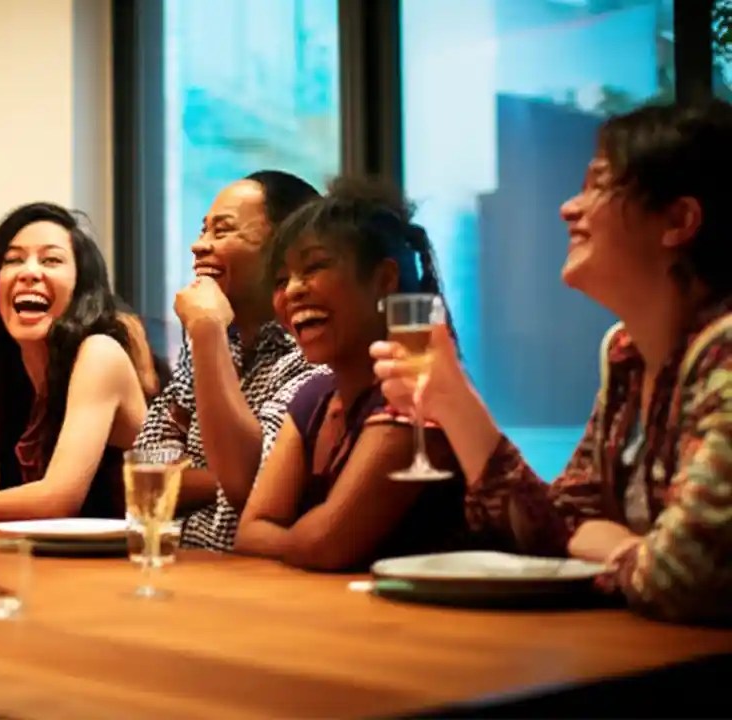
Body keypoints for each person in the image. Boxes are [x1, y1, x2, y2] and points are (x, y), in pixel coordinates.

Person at [372, 100, 732, 624]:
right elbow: (556, 525)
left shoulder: (724, 356)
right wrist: (454, 405)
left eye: (599, 185)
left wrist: (613, 548)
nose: (569, 207)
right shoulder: (626, 355)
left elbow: (682, 577)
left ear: (678, 220)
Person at [235, 177, 471, 571]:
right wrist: (304, 540)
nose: (293, 290)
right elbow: (250, 530)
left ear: (384, 279)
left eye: (315, 267)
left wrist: (301, 538)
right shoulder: (314, 396)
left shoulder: (418, 392)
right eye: (280, 280)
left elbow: (325, 545)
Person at [134, 170, 325, 552]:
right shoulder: (219, 338)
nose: (198, 246)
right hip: (187, 569)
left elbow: (249, 486)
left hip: (257, 585)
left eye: (221, 231)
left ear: (283, 246)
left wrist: (206, 331)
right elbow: (143, 475)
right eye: (203, 230)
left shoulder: (314, 350)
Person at [0, 202, 146, 519]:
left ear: (81, 288)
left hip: (123, 563)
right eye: (13, 260)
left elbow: (58, 499)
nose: (29, 272)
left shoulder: (99, 353)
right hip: (47, 563)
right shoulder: (11, 377)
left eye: (51, 260)